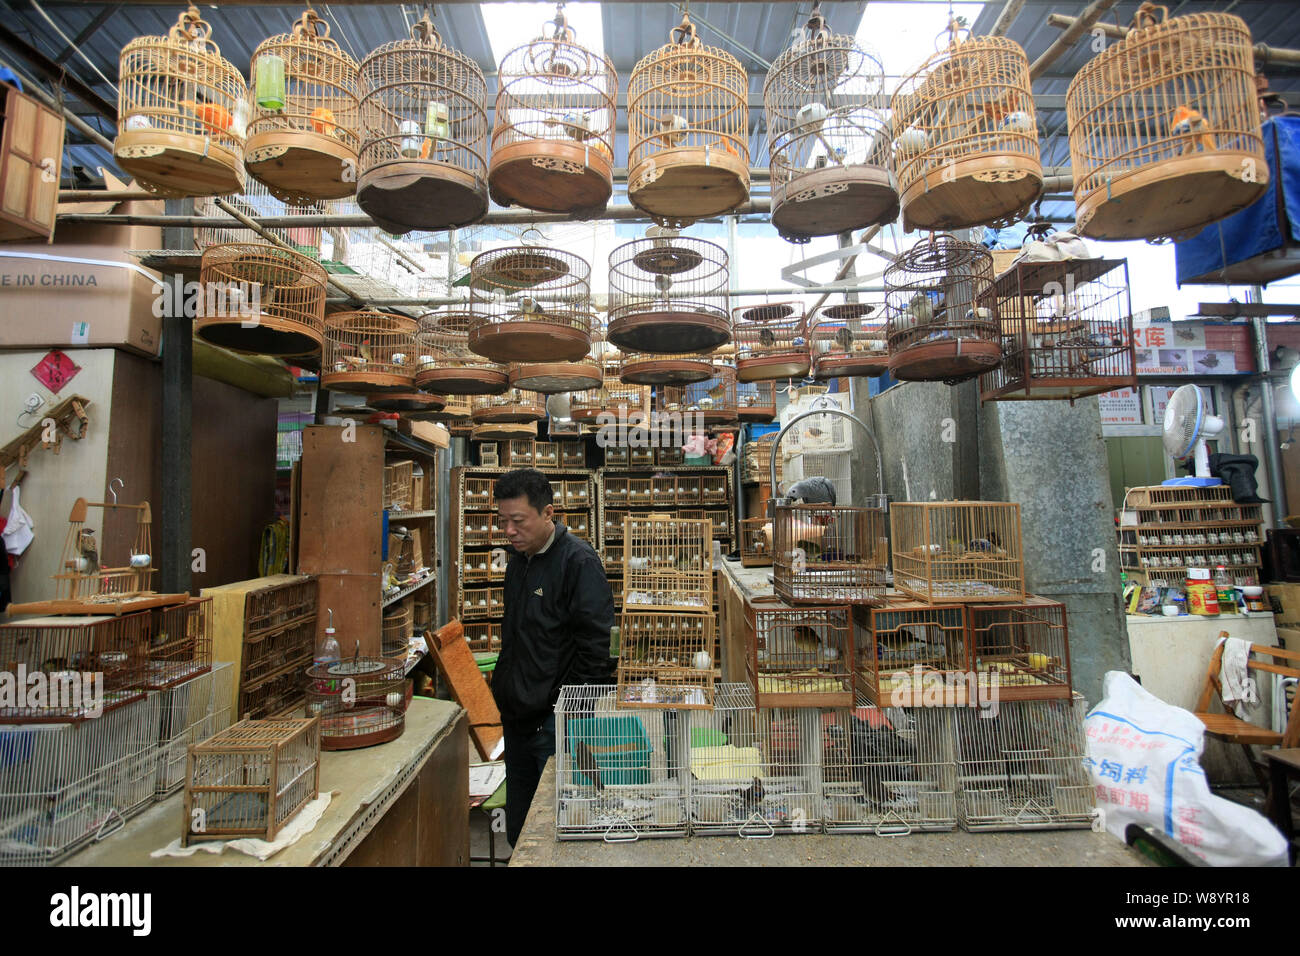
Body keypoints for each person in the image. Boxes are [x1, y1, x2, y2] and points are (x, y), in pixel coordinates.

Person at [490, 467, 614, 847]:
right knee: (520, 829)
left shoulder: (578, 562)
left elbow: (598, 650)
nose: (509, 531)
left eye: (517, 521)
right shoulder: (518, 561)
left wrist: (567, 715)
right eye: (502, 521)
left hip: (554, 723)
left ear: (548, 514)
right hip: (516, 718)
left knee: (557, 827)